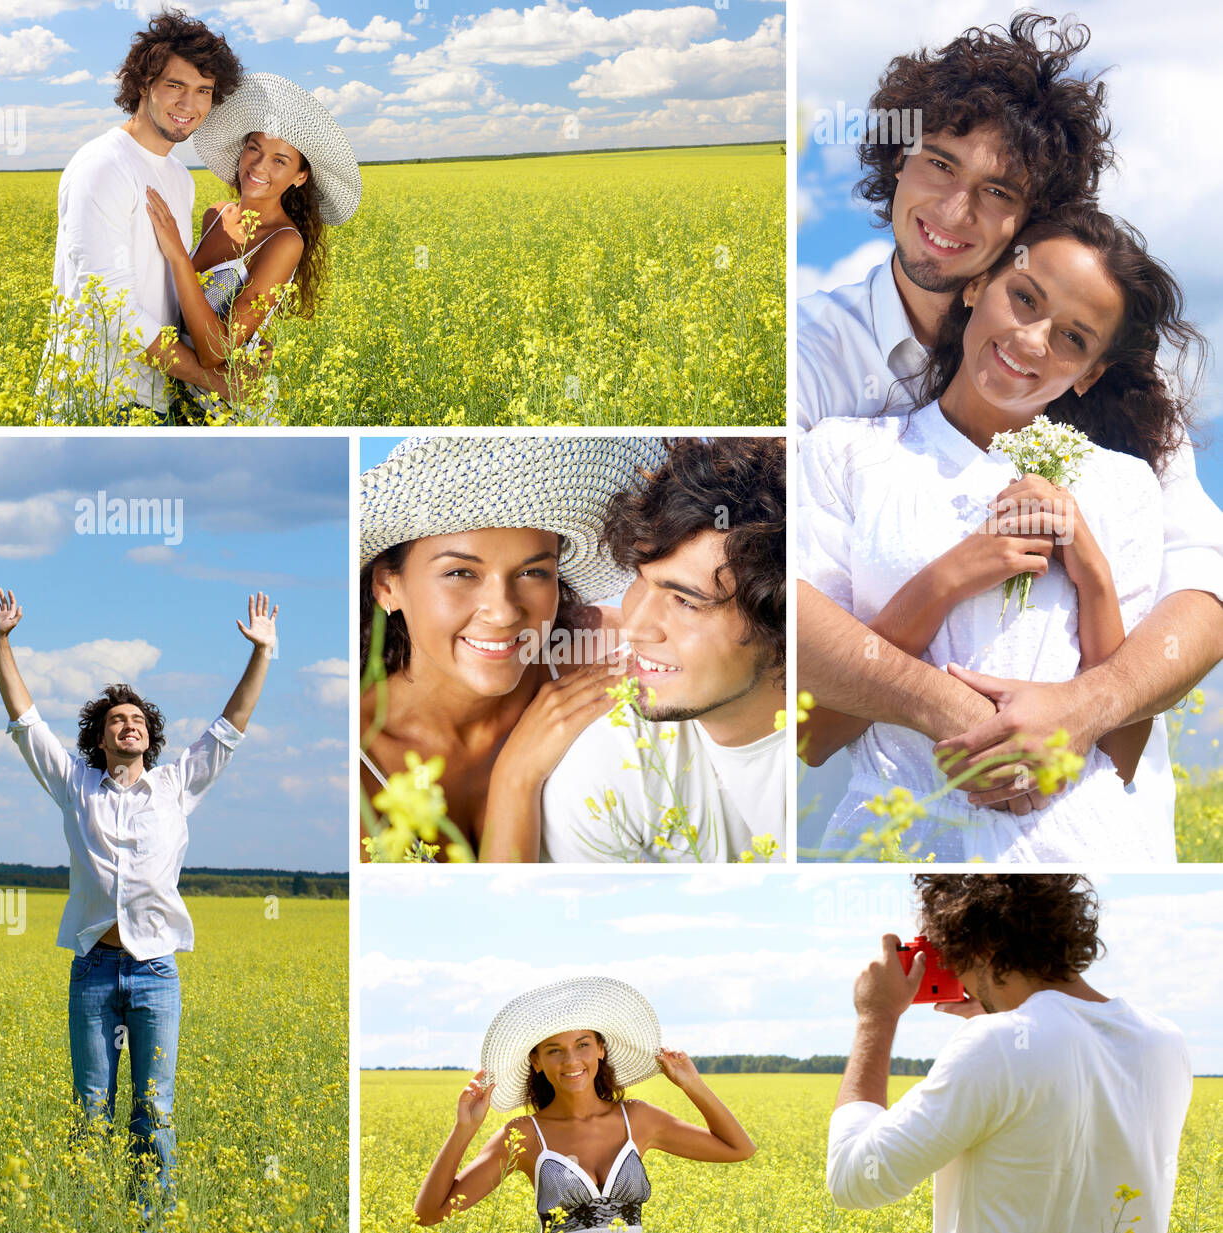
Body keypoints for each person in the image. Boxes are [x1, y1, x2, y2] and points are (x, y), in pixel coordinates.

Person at [797, 12, 1223, 829]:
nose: (954, 212)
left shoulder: (1122, 451)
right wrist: (954, 711)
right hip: (891, 819)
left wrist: (1082, 709)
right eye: (938, 163)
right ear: (897, 159)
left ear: (1028, 226)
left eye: (998, 191)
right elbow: (786, 614)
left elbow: (1198, 592)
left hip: (1087, 825)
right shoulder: (813, 369)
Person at [0, 587, 277, 1222]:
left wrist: (261, 654)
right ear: (100, 735)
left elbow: (229, 730)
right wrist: (0, 643)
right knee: (91, 1104)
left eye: (140, 720)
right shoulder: (74, 785)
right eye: (118, 719)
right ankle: (85, 1222)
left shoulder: (176, 786)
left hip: (155, 972)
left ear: (150, 736)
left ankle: (148, 1226)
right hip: (93, 969)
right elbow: (26, 723)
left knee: (155, 1107)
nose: (131, 724)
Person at [826, 874, 1191, 1233]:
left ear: (975, 945)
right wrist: (1003, 1022)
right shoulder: (1165, 1041)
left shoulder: (994, 1047)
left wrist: (877, 1016)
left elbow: (852, 1178)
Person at [358, 436, 666, 862]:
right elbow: (489, 925)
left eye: (534, 572)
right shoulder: (354, 761)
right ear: (387, 586)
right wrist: (517, 774)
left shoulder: (597, 653)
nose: (503, 612)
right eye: (462, 573)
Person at [518, 437, 786, 863]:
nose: (637, 626)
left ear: (781, 626)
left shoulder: (838, 754)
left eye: (685, 601)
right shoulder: (605, 768)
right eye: (640, 579)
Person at [414, 977, 756, 1233]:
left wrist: (691, 1083)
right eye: (554, 1050)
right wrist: (464, 1129)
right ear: (536, 1061)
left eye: (582, 1045)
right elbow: (428, 1214)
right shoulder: (525, 1136)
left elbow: (739, 1148)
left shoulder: (638, 1119)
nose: (572, 1060)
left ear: (601, 1050)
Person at [42, 8, 244, 422]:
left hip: (156, 396)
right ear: (143, 84)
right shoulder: (103, 166)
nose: (190, 103)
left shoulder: (178, 176)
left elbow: (171, 294)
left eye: (204, 90)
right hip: (95, 397)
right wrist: (213, 379)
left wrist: (238, 343)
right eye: (176, 85)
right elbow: (114, 311)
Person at [145, 71, 362, 423]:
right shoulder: (214, 215)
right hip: (174, 393)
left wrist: (177, 257)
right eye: (254, 149)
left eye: (280, 160)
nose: (259, 166)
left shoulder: (284, 242)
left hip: (232, 408)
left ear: (300, 177)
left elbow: (216, 352)